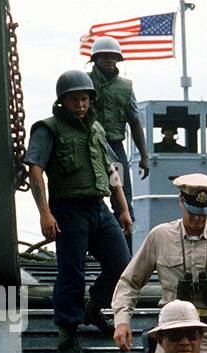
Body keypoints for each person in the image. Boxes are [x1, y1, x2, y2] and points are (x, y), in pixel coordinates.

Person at [25, 69, 133, 353]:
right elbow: (35, 170)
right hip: (69, 211)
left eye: (85, 99)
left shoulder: (96, 129)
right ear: (62, 102)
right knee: (71, 274)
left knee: (122, 265)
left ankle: (93, 307)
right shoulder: (48, 129)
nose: (81, 105)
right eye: (75, 100)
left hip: (99, 208)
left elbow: (112, 172)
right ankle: (68, 341)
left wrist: (122, 209)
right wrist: (45, 213)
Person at [111, 173, 207, 353]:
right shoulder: (160, 236)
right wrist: (122, 320)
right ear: (181, 202)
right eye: (192, 212)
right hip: (171, 333)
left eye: (203, 214)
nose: (197, 220)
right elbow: (129, 282)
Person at [87, 37, 151, 250]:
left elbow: (134, 120)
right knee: (85, 199)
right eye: (105, 56)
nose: (110, 60)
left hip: (115, 149)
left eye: (114, 56)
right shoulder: (84, 82)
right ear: (95, 59)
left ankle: (125, 259)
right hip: (87, 148)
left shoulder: (125, 86)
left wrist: (144, 155)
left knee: (123, 202)